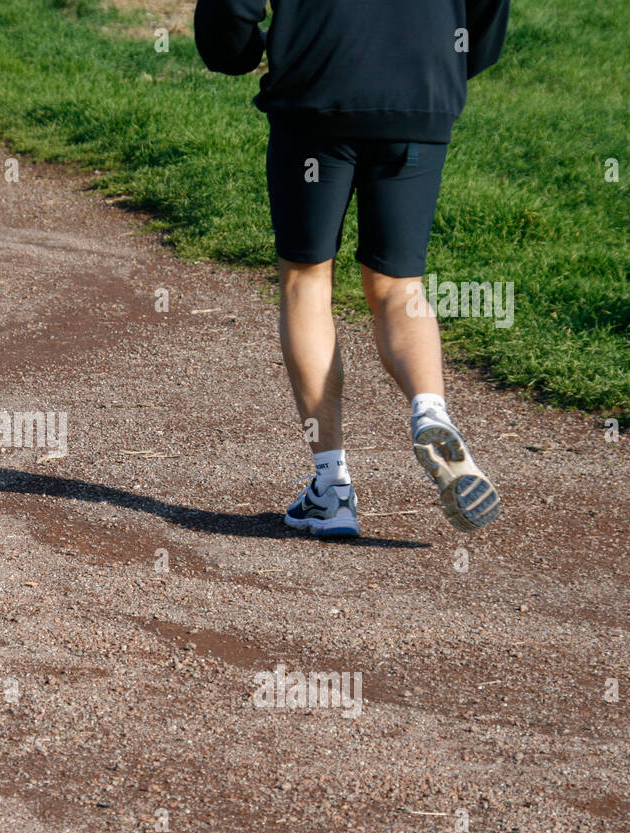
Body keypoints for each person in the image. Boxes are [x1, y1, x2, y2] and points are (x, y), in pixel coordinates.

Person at [195, 0, 509, 538]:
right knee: (398, 285)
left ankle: (332, 489)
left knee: (307, 279)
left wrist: (239, 51)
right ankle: (430, 412)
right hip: (420, 93)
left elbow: (231, 7)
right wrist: (442, 60)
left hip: (318, 91)